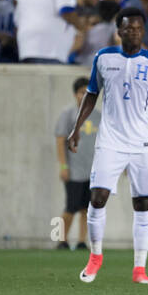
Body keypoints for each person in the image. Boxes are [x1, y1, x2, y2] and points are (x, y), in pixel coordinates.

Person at [65, 7, 148, 285]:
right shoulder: (104, 58)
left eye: (138, 28)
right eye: (128, 28)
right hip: (110, 141)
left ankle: (139, 269)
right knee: (97, 197)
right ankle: (96, 256)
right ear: (119, 31)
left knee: (142, 203)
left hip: (143, 144)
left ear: (143, 31)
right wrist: (76, 128)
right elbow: (91, 95)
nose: (133, 32)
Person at [54, 76, 99, 251]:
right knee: (70, 208)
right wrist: (63, 166)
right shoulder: (68, 114)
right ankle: (60, 239)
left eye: (88, 92)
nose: (85, 96)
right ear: (75, 94)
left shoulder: (98, 116)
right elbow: (60, 140)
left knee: (87, 209)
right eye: (81, 92)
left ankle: (82, 241)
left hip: (92, 170)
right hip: (74, 170)